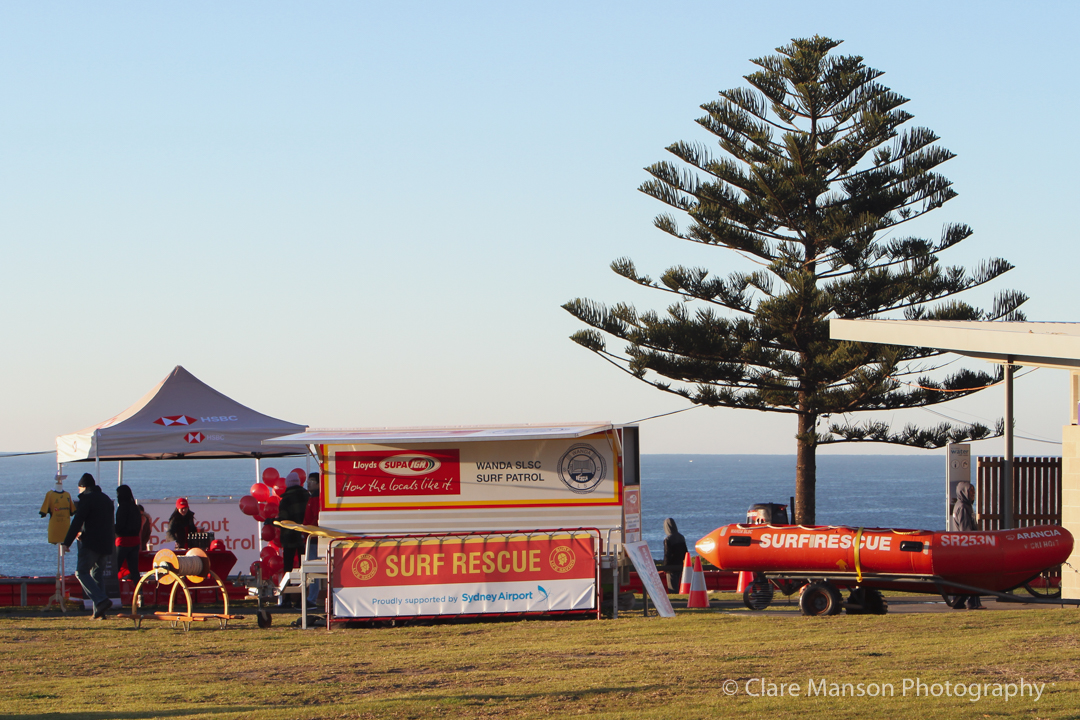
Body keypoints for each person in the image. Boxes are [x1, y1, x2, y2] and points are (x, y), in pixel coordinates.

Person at [62, 474, 115, 619]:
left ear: (83, 487)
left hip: (90, 543)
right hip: (106, 543)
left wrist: (67, 542)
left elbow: (78, 521)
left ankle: (101, 600)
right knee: (97, 575)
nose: (79, 492)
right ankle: (100, 612)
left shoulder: (87, 500)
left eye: (79, 489)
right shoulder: (106, 499)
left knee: (81, 573)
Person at [950, 481, 984, 609]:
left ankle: (958, 601)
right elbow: (966, 530)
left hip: (962, 547)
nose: (973, 494)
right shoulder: (964, 507)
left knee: (964, 576)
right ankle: (973, 602)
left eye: (973, 492)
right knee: (973, 575)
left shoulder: (962, 506)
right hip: (967, 548)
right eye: (970, 491)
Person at [276, 471, 310, 574]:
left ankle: (290, 585)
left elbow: (283, 519)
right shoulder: (307, 495)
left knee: (288, 564)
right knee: (304, 562)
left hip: (289, 535)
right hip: (306, 534)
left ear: (287, 484)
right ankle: (305, 584)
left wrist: (273, 521)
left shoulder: (286, 499)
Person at [114, 485, 141, 583]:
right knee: (134, 570)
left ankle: (111, 592)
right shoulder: (135, 508)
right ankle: (140, 593)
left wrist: (112, 528)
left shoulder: (122, 507)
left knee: (115, 568)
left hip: (123, 541)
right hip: (135, 541)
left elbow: (120, 526)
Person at [40, 474, 75, 544]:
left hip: (66, 528)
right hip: (55, 529)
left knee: (65, 543)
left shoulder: (67, 495)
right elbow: (43, 511)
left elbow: (72, 511)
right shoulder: (50, 495)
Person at [662, 518, 689, 594]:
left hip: (671, 567)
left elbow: (667, 554)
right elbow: (685, 552)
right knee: (678, 583)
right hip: (680, 565)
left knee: (672, 586)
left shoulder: (668, 539)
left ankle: (675, 599)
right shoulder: (681, 537)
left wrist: (665, 566)